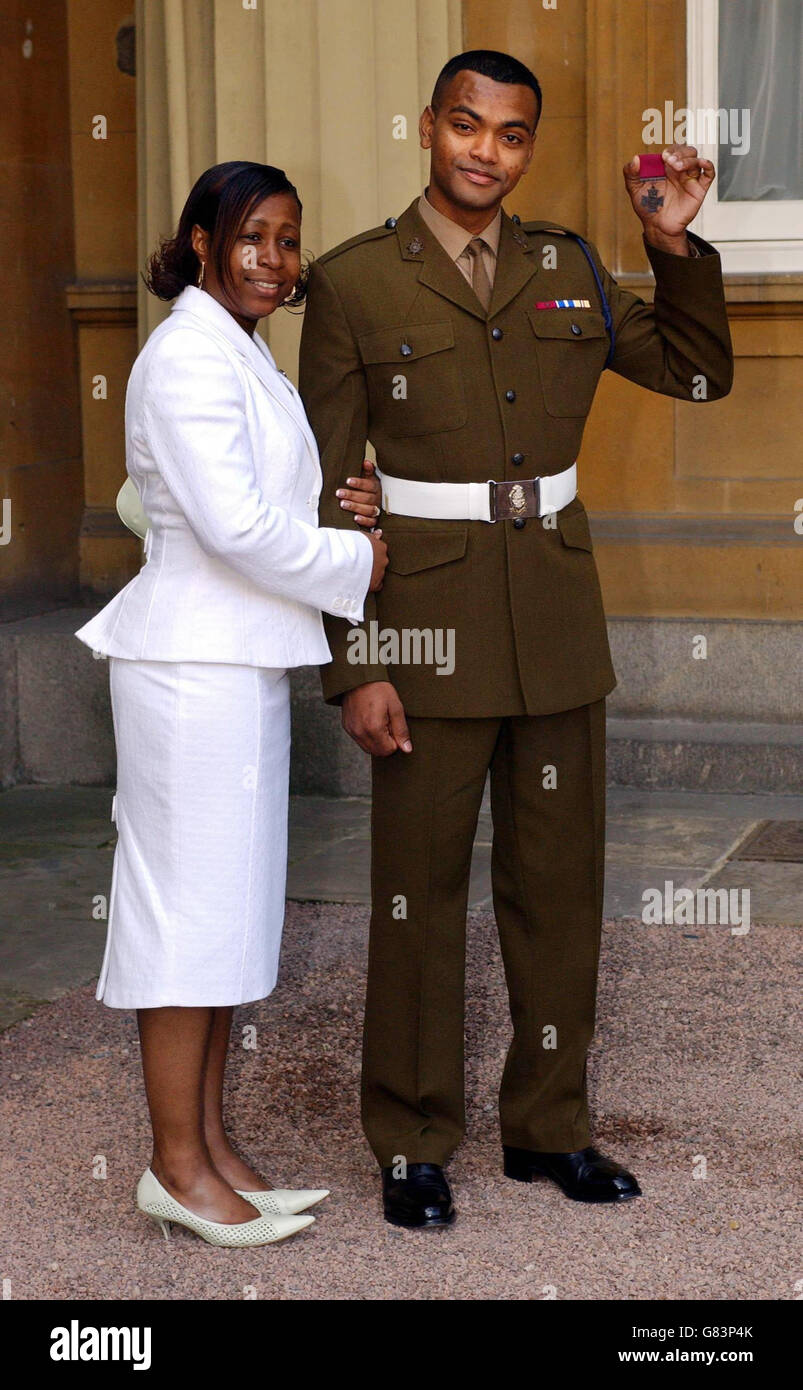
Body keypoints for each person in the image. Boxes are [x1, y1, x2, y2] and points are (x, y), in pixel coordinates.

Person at [298, 50, 734, 1227]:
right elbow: (325, 491)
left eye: (507, 134)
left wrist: (674, 243)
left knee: (556, 890)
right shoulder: (351, 285)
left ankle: (548, 1129)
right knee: (416, 897)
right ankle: (411, 1140)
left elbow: (697, 374)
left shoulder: (569, 268)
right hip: (424, 633)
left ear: (527, 147)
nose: (482, 150)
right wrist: (357, 662)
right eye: (463, 125)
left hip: (550, 621)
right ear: (427, 128)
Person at [75, 161, 388, 1247]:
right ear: (203, 240)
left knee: (224, 918)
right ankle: (172, 1163)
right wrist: (354, 557)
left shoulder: (238, 352)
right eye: (254, 235)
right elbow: (233, 529)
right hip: (188, 671)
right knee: (183, 924)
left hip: (234, 664)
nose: (275, 259)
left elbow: (261, 505)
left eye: (290, 241)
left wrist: (343, 505)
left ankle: (208, 1149)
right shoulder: (184, 357)